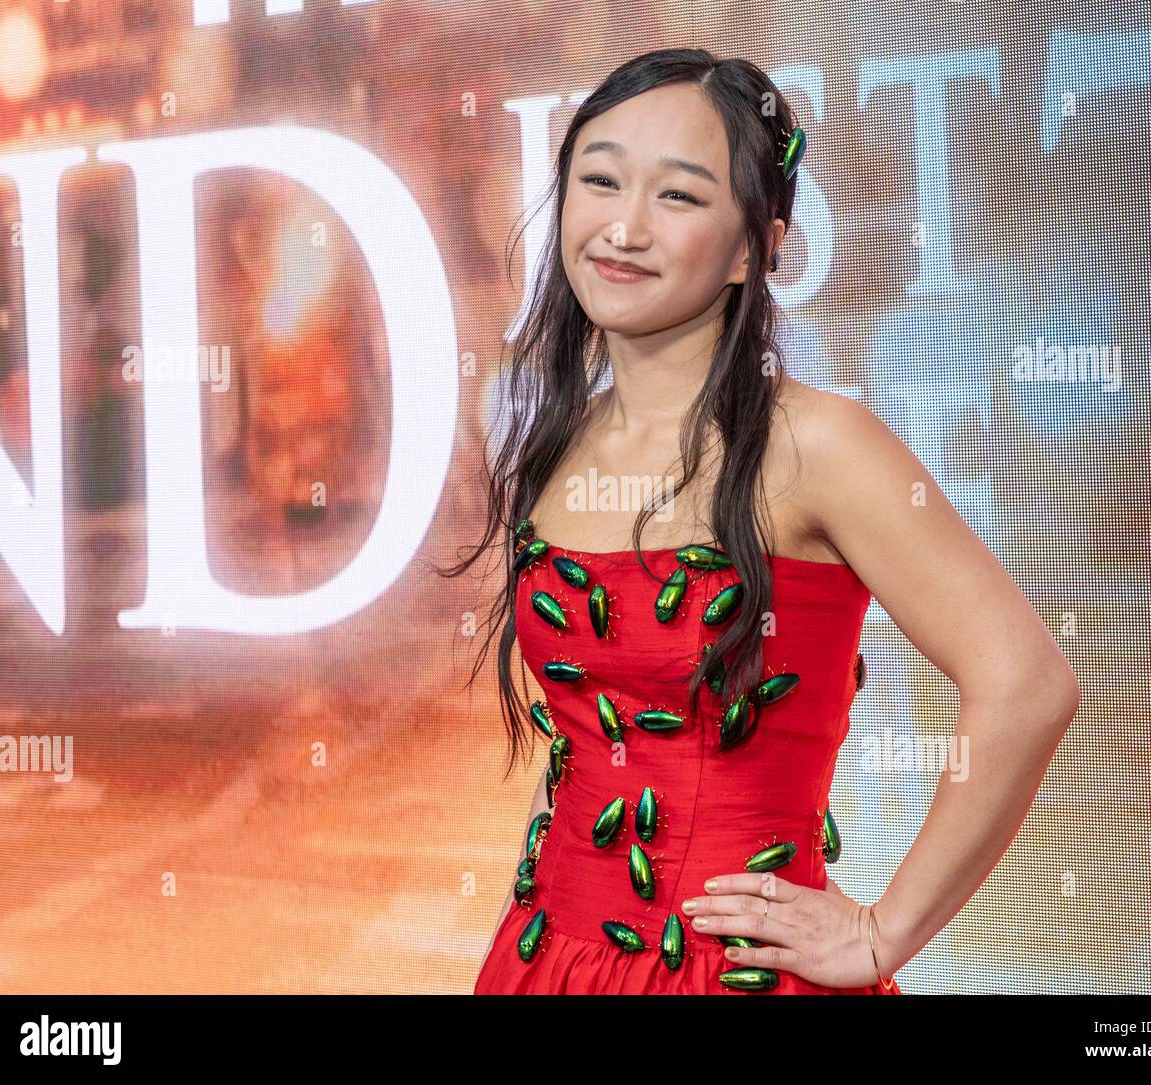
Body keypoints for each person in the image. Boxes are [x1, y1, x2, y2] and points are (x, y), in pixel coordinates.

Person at [445, 48, 1080, 994]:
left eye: (679, 197)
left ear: (755, 243)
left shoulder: (818, 443)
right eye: (600, 179)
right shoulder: (556, 436)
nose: (622, 227)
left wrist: (879, 935)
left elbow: (1027, 683)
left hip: (730, 975)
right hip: (548, 959)